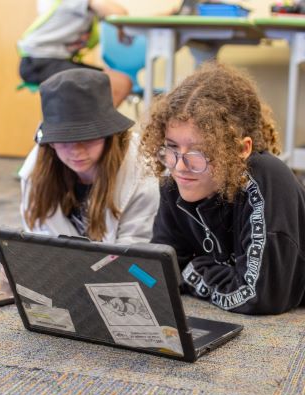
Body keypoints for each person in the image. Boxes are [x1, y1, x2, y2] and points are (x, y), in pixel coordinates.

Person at [140, 61, 305, 315]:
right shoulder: (176, 185)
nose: (180, 166)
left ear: (241, 149)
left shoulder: (267, 178)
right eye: (172, 148)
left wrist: (193, 269)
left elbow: (259, 296)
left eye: (200, 152)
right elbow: (154, 274)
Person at [19, 68, 160, 243]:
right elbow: (40, 232)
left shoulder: (141, 171)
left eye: (88, 138)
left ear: (108, 134)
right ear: (51, 142)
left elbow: (135, 247)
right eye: (64, 140)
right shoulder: (35, 171)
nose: (77, 151)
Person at [17, 0, 132, 107]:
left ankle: (90, 126)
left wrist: (120, 28)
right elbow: (120, 12)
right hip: (39, 62)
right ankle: (93, 127)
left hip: (52, 60)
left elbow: (113, 14)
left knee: (121, 81)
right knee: (117, 84)